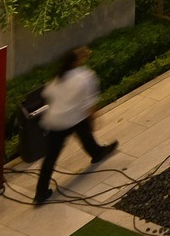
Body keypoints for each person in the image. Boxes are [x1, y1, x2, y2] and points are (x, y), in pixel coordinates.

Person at [33, 47, 118, 205]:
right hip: (74, 117)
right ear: (76, 61)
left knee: (51, 157)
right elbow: (89, 103)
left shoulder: (57, 79)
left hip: (55, 121)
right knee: (84, 131)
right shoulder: (85, 76)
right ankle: (97, 152)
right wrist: (93, 119)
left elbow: (47, 96)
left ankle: (40, 192)